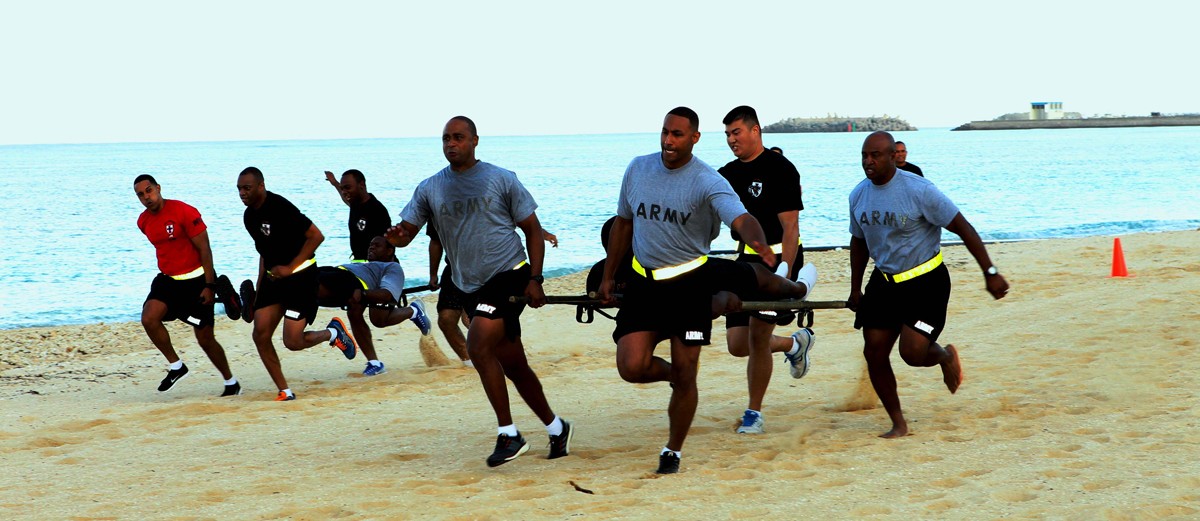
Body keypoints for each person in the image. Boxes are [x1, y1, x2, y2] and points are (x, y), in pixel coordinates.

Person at [598, 107, 817, 474]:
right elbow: (623, 223)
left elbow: (741, 217)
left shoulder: (708, 179)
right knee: (631, 366)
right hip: (644, 283)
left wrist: (759, 242)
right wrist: (608, 275)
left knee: (750, 309)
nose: (669, 140)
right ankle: (680, 379)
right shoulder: (638, 168)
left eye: (677, 134)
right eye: (665, 132)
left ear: (694, 138)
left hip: (691, 283)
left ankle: (673, 450)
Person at [386, 116, 573, 467]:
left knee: (478, 344)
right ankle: (557, 427)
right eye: (446, 138)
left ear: (474, 140)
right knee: (514, 365)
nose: (451, 144)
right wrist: (398, 238)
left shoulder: (501, 178)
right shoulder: (430, 188)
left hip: (509, 273)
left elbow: (532, 230)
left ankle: (509, 434)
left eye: (458, 137)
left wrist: (536, 278)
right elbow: (408, 232)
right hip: (468, 284)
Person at [849, 131, 1008, 438]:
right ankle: (898, 422)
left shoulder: (920, 190)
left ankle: (945, 356)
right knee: (874, 352)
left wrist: (990, 272)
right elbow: (858, 242)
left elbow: (963, 227)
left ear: (893, 157)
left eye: (875, 155)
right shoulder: (858, 195)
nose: (868, 161)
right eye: (864, 156)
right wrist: (856, 288)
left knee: (912, 353)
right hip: (884, 282)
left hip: (926, 282)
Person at [718, 106, 816, 435]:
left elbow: (791, 229)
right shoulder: (726, 173)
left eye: (737, 132)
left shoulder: (780, 168)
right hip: (745, 262)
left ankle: (753, 414)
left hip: (779, 260)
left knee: (758, 338)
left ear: (755, 131)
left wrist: (784, 274)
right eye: (727, 134)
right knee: (737, 344)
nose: (732, 139)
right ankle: (794, 345)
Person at [238, 166, 360, 401]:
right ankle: (285, 391)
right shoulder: (249, 216)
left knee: (292, 341)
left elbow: (316, 236)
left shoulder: (280, 207)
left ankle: (332, 333)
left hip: (301, 278)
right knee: (260, 335)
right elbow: (264, 253)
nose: (242, 193)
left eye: (247, 188)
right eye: (239, 189)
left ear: (261, 186)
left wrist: (290, 267)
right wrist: (259, 290)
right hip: (274, 280)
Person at [134, 175, 242, 396]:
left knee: (205, 339)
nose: (146, 197)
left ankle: (231, 382)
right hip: (168, 281)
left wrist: (209, 285)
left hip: (197, 281)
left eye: (149, 190)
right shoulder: (143, 221)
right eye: (141, 194)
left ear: (158, 188)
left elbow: (205, 250)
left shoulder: (184, 211)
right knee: (149, 318)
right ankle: (177, 366)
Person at [428, 224, 559, 368]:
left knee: (475, 318)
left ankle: (498, 353)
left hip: (490, 269)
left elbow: (523, 222)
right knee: (446, 319)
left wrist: (544, 234)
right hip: (455, 269)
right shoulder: (436, 210)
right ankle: (469, 362)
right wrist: (433, 274)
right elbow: (436, 241)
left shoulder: (486, 209)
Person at [317, 236, 433, 376]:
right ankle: (374, 363)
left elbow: (387, 295)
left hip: (348, 280)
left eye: (377, 245)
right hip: (338, 272)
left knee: (377, 320)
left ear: (390, 251)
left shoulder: (392, 267)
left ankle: (413, 311)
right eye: (370, 245)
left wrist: (362, 294)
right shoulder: (364, 266)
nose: (371, 247)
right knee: (307, 281)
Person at [323, 169, 392, 261]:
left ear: (361, 185)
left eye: (347, 187)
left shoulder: (377, 210)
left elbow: (387, 245)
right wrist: (335, 183)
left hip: (374, 265)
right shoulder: (355, 204)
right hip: (358, 262)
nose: (344, 192)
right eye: (342, 188)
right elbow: (346, 199)